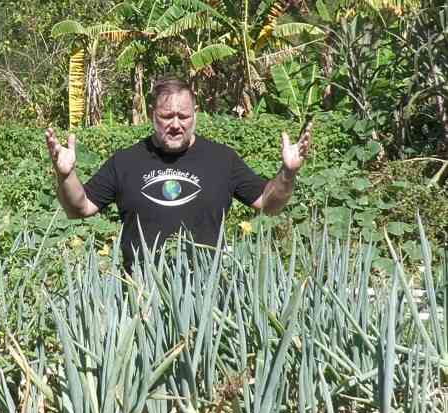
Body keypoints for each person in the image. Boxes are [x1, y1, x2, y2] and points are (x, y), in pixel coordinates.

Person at [45, 76, 312, 270]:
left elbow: (268, 204)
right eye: (166, 116)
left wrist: (287, 173)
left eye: (183, 116)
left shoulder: (222, 159)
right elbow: (78, 208)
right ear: (152, 115)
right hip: (142, 294)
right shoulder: (126, 161)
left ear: (195, 114)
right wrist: (66, 175)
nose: (175, 125)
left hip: (206, 294)